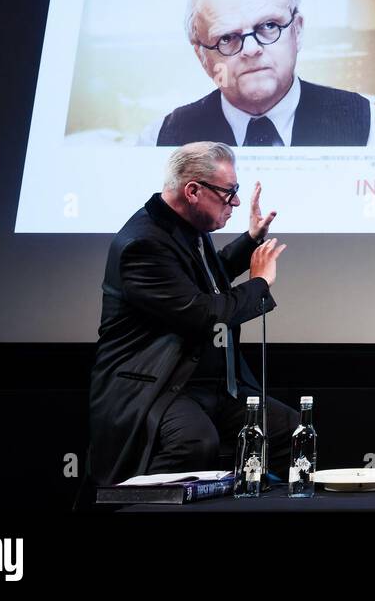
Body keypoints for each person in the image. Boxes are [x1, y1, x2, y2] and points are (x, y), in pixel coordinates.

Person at [85, 141, 292, 492]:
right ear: (193, 191)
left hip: (210, 386)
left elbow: (207, 280)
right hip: (160, 386)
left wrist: (250, 240)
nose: (237, 202)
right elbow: (203, 313)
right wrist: (260, 282)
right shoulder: (143, 244)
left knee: (289, 430)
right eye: (229, 193)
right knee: (194, 443)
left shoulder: (184, 227)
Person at [139, 0, 375, 147]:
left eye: (269, 26)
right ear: (202, 57)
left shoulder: (365, 124)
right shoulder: (160, 141)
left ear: (297, 31)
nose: (252, 49)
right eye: (227, 38)